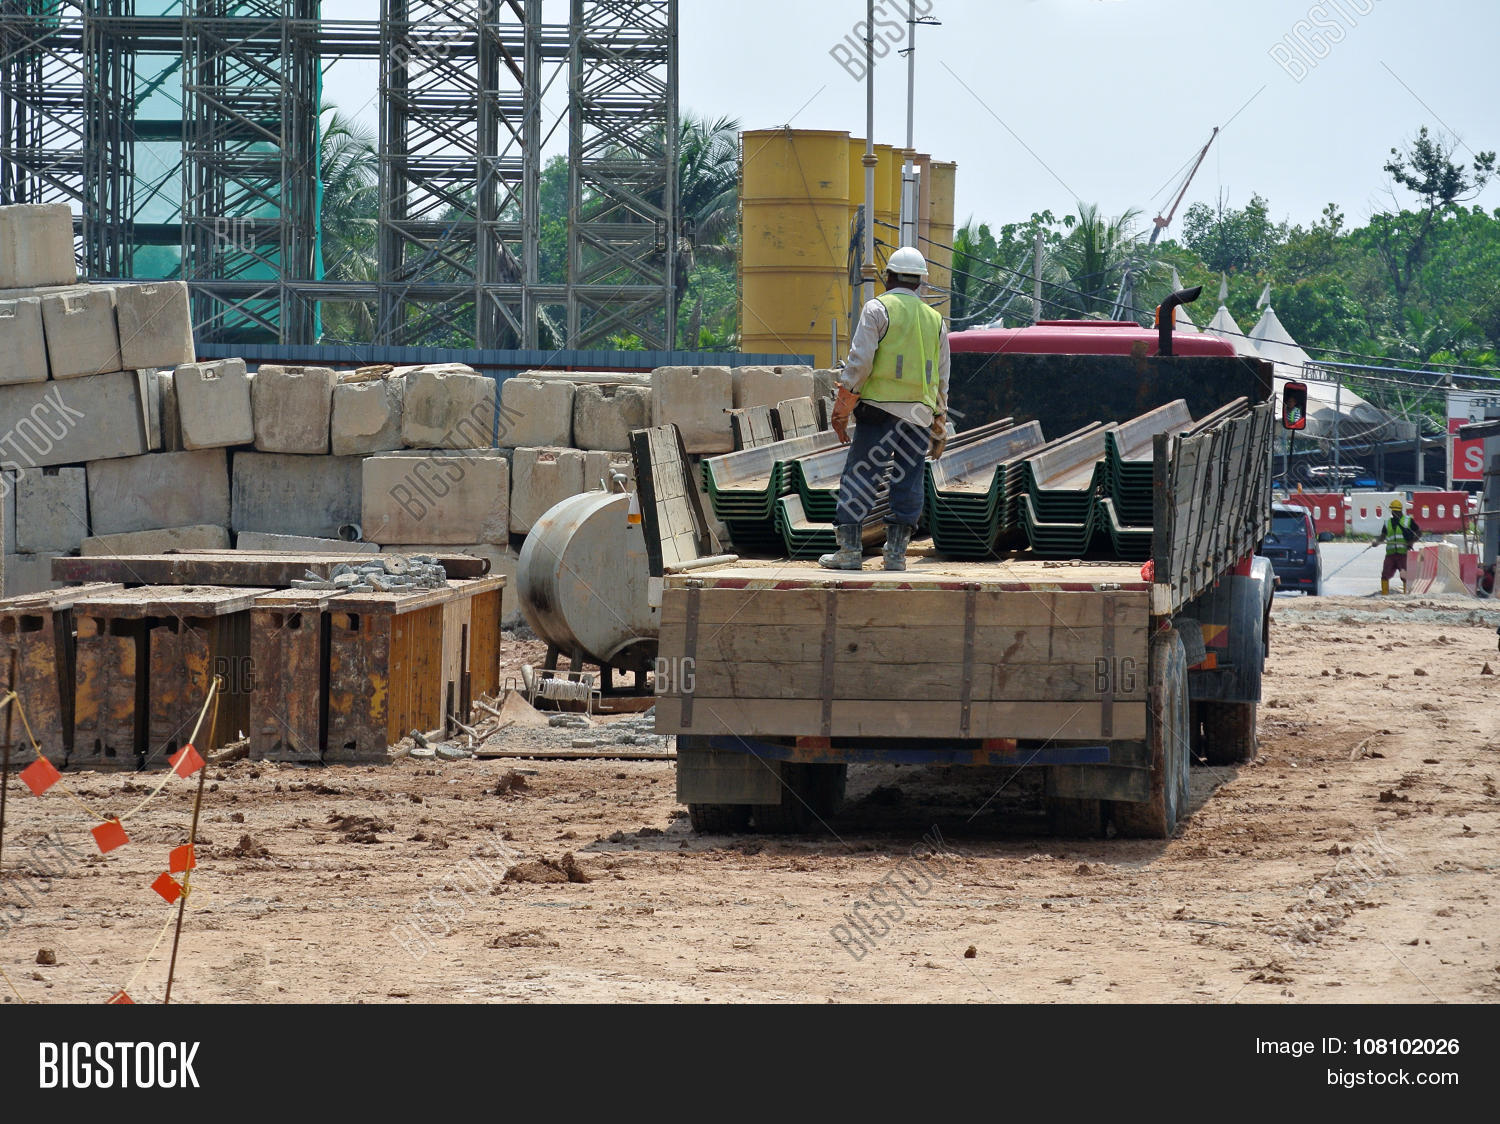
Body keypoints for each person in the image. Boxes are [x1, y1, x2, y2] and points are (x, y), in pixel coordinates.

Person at [817, 246, 950, 572]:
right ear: (921, 282)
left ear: (887, 277)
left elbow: (860, 363)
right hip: (918, 415)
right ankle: (895, 556)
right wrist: (939, 420)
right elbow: (942, 376)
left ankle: (849, 553)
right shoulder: (936, 320)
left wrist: (843, 406)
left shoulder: (877, 308)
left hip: (878, 410)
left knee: (861, 476)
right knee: (909, 480)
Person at [1374, 498, 1422, 595]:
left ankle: (1406, 594)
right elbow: (1382, 536)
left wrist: (1411, 542)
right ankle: (1384, 594)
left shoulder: (1408, 521)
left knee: (1404, 575)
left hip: (1403, 554)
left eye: (1396, 511)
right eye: (1393, 511)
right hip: (1390, 554)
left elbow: (1419, 532)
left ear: (1400, 511)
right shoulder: (1387, 523)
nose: (1394, 513)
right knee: (1385, 575)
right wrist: (1376, 542)